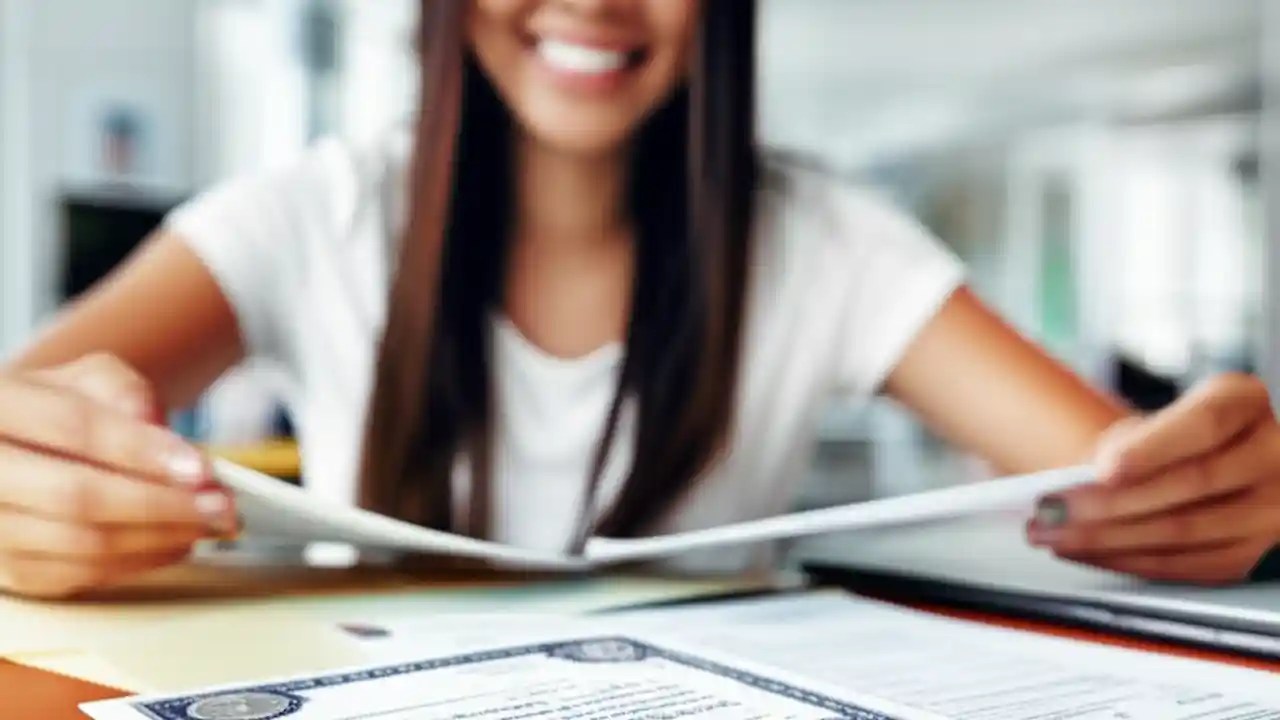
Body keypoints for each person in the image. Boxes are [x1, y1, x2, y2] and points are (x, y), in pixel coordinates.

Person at [2, 0, 1279, 600]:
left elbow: (1117, 474)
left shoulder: (827, 242)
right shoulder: (309, 210)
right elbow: (24, 418)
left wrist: (1215, 493)